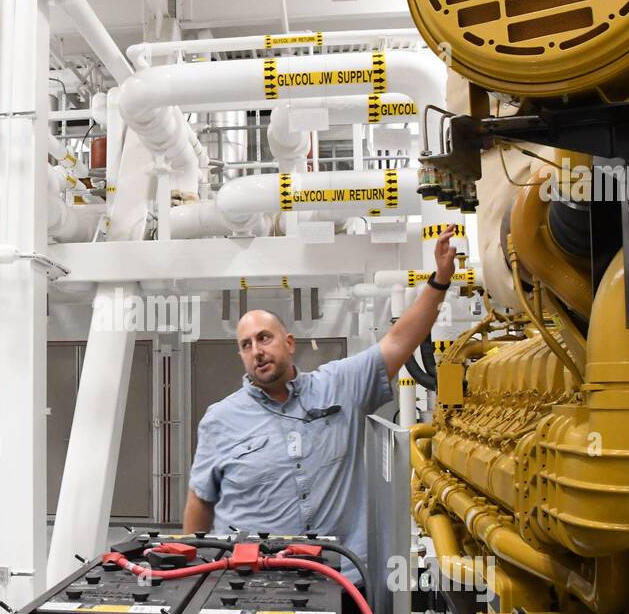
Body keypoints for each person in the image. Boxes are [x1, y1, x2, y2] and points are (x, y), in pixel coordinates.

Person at [184, 225, 459, 584]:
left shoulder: (339, 386)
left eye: (264, 338)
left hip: (339, 577)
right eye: (246, 345)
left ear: (289, 342)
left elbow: (398, 342)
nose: (257, 351)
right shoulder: (220, 419)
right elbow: (200, 502)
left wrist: (439, 281)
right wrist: (192, 576)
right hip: (250, 580)